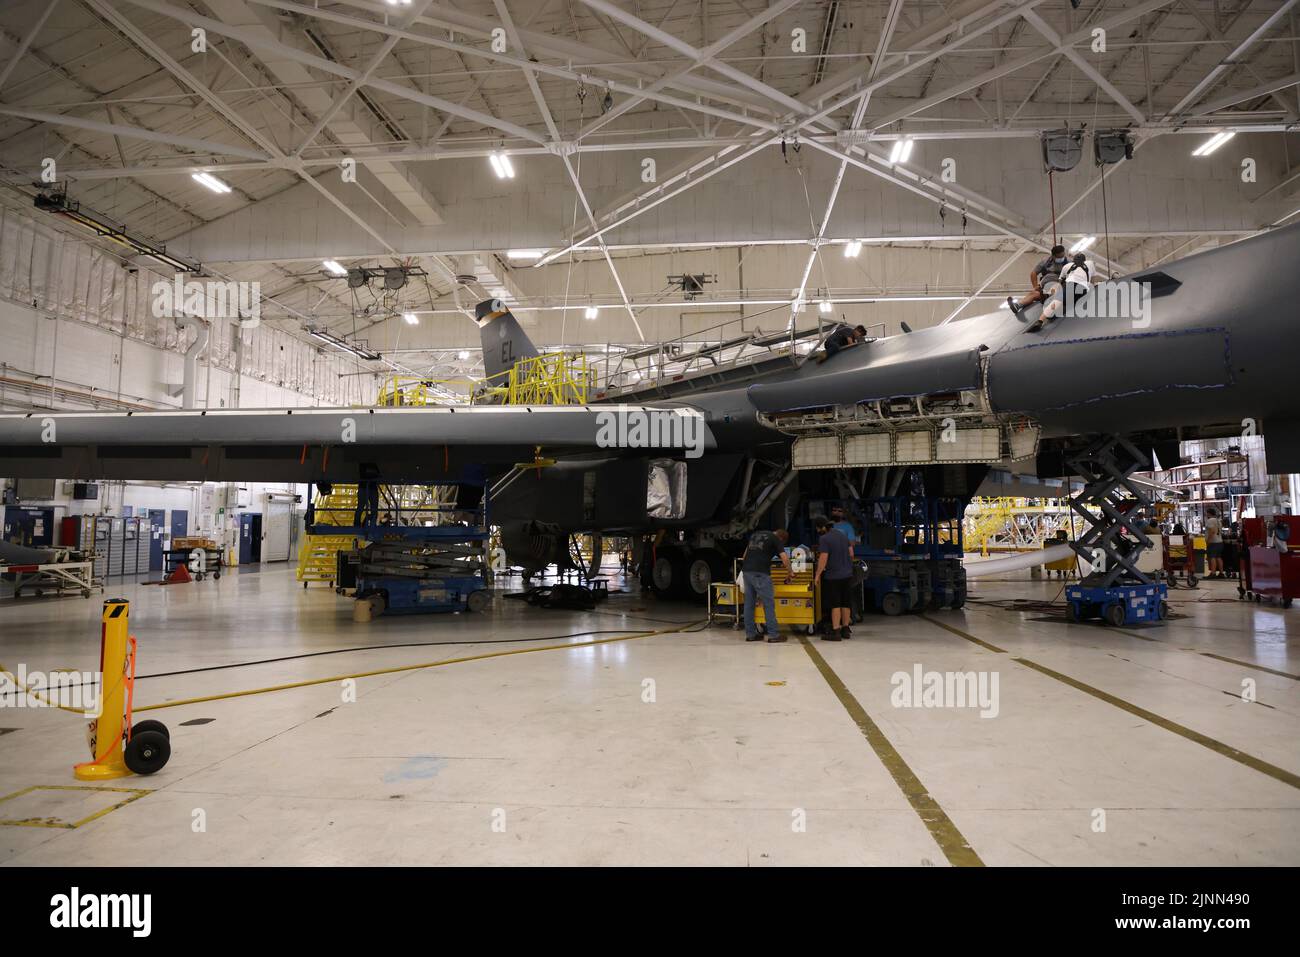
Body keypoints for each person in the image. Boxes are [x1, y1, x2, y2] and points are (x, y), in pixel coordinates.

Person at [740, 528, 792, 643]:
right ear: (782, 539)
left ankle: (750, 635)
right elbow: (784, 558)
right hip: (760, 573)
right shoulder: (776, 539)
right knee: (768, 604)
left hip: (747, 572)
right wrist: (790, 572)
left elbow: (744, 556)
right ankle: (773, 635)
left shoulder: (755, 535)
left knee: (749, 604)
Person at [814, 515, 854, 641]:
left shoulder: (824, 539)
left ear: (821, 527)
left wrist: (817, 574)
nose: (817, 531)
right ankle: (845, 629)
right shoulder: (842, 534)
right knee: (845, 602)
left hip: (834, 576)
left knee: (835, 603)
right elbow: (851, 553)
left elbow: (823, 558)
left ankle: (836, 631)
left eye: (817, 528)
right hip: (847, 574)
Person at [1008, 245, 1068, 318]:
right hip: (1044, 287)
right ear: (1053, 256)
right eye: (1058, 257)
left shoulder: (1069, 263)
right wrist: (1035, 286)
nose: (1061, 258)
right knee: (1033, 293)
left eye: (1062, 256)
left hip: (1059, 286)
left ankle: (1048, 298)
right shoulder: (1046, 262)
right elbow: (1033, 273)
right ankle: (1018, 305)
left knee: (1055, 287)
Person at [830, 505, 864, 622]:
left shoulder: (847, 527)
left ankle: (851, 617)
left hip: (844, 563)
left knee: (848, 592)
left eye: (839, 511)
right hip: (832, 564)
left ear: (843, 514)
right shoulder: (829, 525)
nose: (836, 512)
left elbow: (852, 544)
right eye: (834, 510)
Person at [1204, 507, 1224, 578]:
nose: (1206, 515)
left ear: (1209, 513)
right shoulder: (1218, 520)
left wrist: (1208, 540)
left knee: (1212, 557)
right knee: (1218, 557)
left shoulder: (1210, 520)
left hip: (1213, 542)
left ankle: (1213, 573)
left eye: (1206, 513)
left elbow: (1212, 531)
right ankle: (1221, 573)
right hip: (1220, 542)